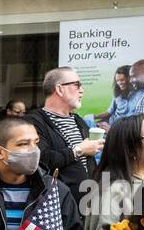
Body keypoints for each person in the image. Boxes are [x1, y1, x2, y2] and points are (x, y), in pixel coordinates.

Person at [24, 67, 104, 203]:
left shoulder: (79, 120)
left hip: (89, 204)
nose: (82, 90)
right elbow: (41, 160)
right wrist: (78, 150)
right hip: (58, 207)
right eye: (77, 85)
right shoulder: (34, 121)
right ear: (60, 89)